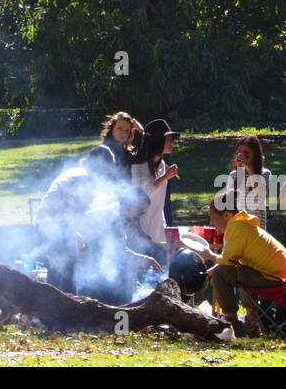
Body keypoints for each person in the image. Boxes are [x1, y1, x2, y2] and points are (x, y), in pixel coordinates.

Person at [34, 145, 119, 293]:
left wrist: (73, 232)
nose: (105, 174)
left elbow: (68, 208)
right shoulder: (86, 179)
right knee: (66, 273)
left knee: (58, 271)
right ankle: (65, 310)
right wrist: (72, 231)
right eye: (105, 170)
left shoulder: (77, 173)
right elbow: (76, 210)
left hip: (46, 224)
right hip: (54, 227)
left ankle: (55, 309)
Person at [201, 198, 286, 331]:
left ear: (226, 215)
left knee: (220, 274)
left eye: (213, 218)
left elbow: (228, 261)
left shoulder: (236, 227)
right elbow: (232, 260)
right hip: (281, 274)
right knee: (233, 271)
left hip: (275, 278)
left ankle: (231, 321)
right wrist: (216, 265)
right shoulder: (240, 224)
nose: (211, 222)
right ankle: (251, 322)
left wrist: (209, 255)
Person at [129, 118, 179, 243]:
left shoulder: (162, 164)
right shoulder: (140, 164)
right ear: (158, 140)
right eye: (169, 139)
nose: (172, 142)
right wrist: (165, 177)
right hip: (141, 225)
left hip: (158, 224)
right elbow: (142, 193)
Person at [224, 134, 272, 230]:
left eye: (246, 152)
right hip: (239, 228)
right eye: (240, 152)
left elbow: (259, 192)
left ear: (255, 154)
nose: (242, 155)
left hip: (257, 229)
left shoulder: (264, 173)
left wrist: (249, 169)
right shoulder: (234, 175)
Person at [99, 111, 143, 179]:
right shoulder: (104, 150)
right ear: (112, 129)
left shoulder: (124, 152)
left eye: (127, 131)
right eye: (119, 128)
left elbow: (141, 157)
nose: (123, 133)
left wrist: (141, 131)